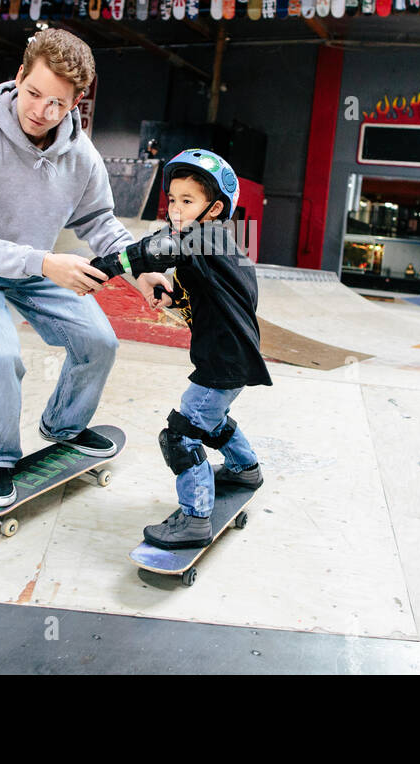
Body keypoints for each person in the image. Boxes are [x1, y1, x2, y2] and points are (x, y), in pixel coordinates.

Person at [0, 29, 171, 507]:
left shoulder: (82, 157)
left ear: (77, 102)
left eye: (58, 103)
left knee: (99, 341)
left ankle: (65, 426)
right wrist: (45, 262)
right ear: (18, 77)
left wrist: (140, 269)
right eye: (34, 94)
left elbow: (100, 221)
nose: (41, 111)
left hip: (34, 262)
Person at [89, 148, 271, 549]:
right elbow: (217, 299)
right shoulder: (222, 247)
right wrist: (173, 299)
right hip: (232, 358)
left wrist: (103, 268)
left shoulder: (202, 238)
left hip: (221, 362)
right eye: (172, 200)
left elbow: (152, 249)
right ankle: (245, 469)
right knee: (213, 420)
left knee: (182, 436)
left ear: (214, 208)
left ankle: (195, 519)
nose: (175, 209)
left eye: (187, 201)